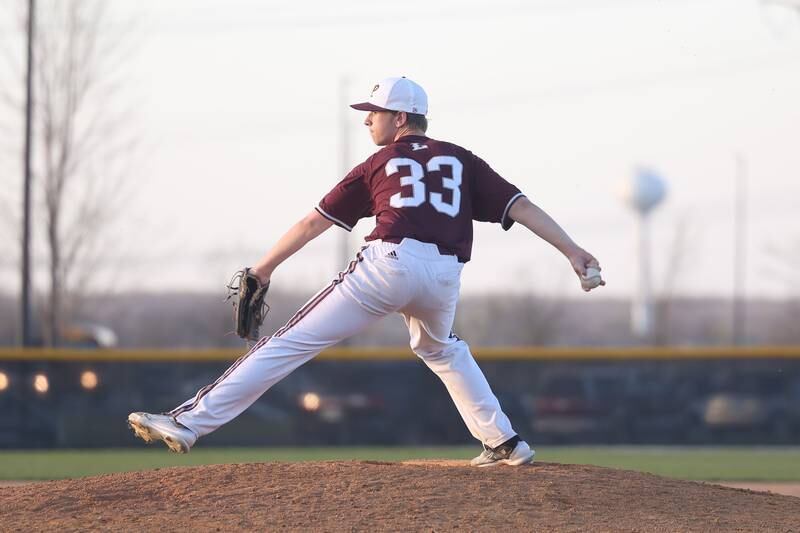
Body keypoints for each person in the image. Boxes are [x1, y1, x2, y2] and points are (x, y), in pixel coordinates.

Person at [128, 76, 604, 467]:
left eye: (373, 112)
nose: (367, 120)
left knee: (288, 342)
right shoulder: (461, 159)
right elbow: (519, 206)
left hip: (389, 266)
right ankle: (505, 442)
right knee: (440, 348)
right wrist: (572, 250)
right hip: (443, 277)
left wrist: (264, 267)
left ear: (400, 118)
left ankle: (188, 420)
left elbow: (314, 221)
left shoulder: (380, 162)